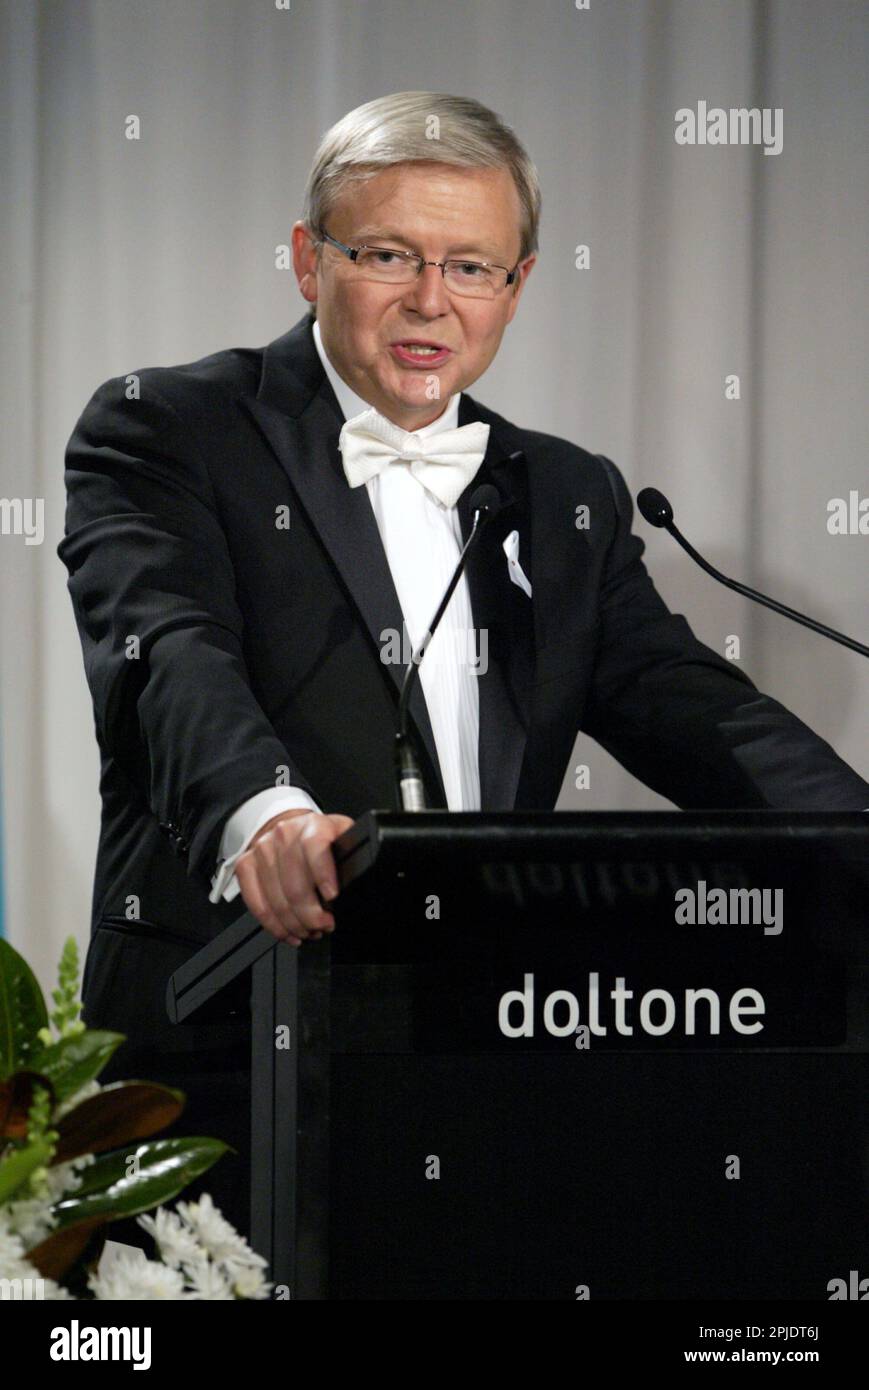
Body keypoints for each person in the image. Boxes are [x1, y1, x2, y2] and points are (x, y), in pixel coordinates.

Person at [57, 91, 869, 1239]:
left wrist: (855, 841)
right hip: (217, 1060)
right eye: (387, 254)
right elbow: (168, 655)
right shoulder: (169, 429)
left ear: (518, 285)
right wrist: (263, 815)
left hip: (469, 1064)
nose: (430, 301)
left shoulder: (561, 492)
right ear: (307, 259)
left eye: (472, 266)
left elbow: (696, 711)